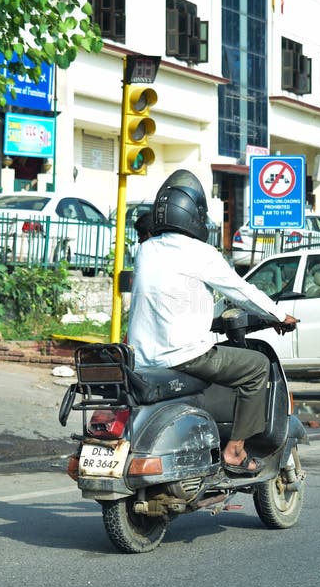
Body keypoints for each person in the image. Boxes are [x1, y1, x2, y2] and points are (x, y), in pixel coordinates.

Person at [127, 169, 297, 475]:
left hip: (142, 358)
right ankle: (235, 450)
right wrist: (278, 315)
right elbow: (240, 290)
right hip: (185, 356)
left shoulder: (145, 250)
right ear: (195, 216)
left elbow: (176, 294)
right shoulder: (201, 253)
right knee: (256, 366)